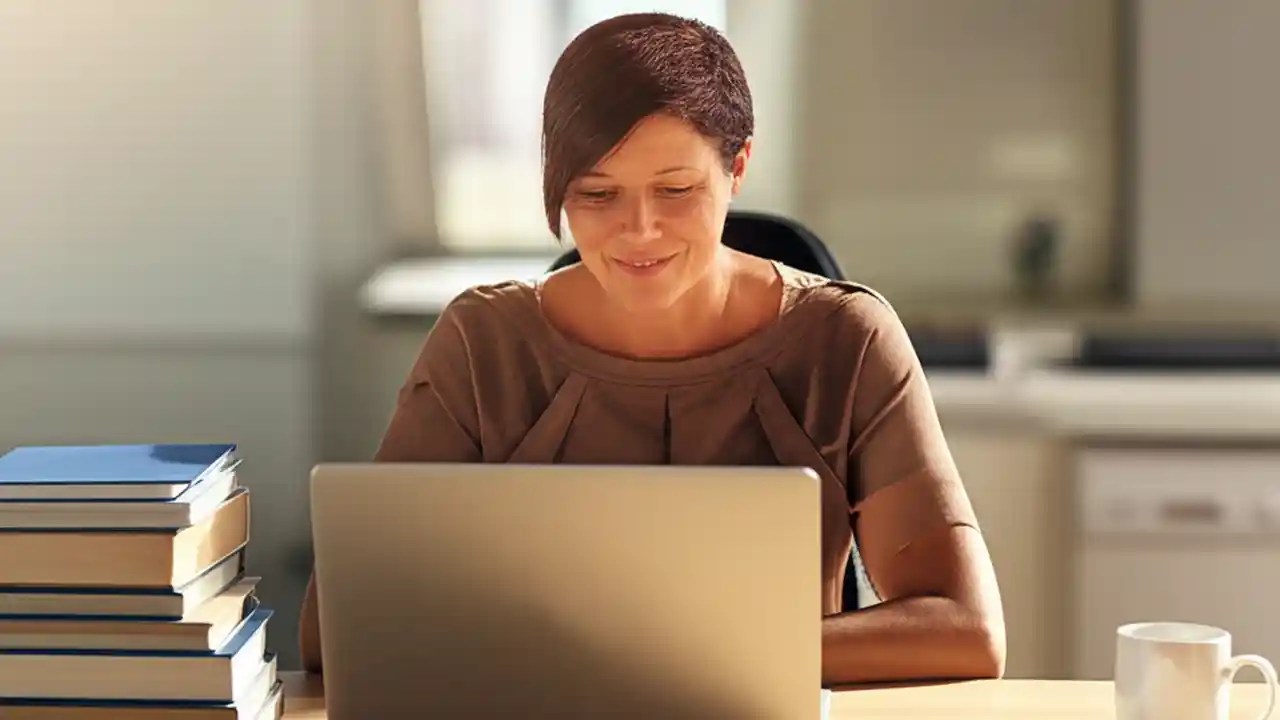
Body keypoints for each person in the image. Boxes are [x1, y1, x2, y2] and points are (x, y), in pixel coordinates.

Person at [301, 12, 1005, 686]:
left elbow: (965, 628)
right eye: (597, 194)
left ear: (738, 168)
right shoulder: (481, 342)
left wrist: (668, 654)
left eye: (675, 189)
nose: (638, 231)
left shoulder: (848, 341)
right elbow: (334, 630)